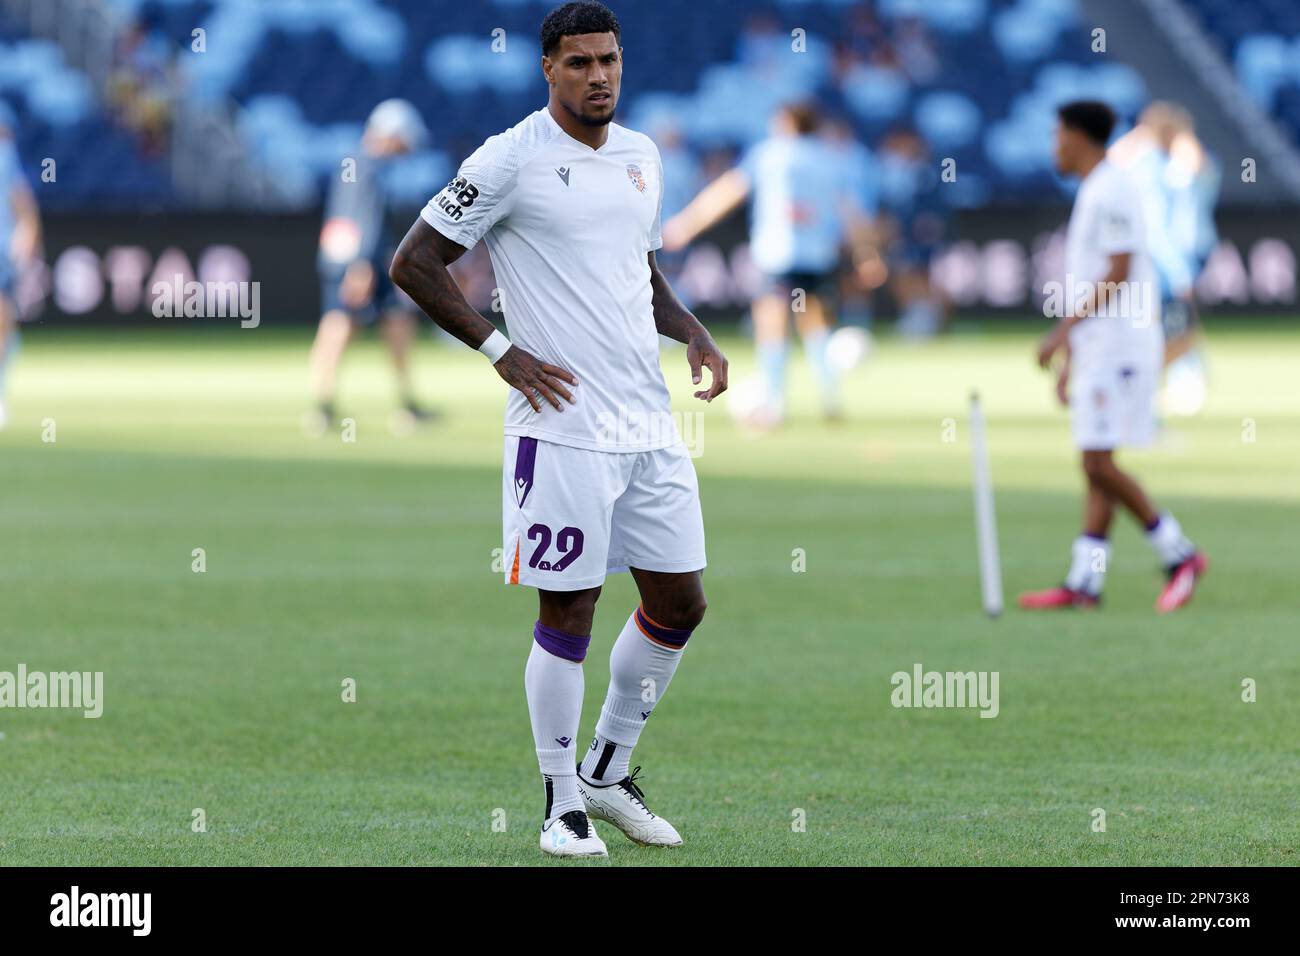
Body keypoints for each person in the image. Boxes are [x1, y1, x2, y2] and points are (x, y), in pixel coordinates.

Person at [388, 1, 727, 857]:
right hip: (561, 423)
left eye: (608, 60)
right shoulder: (509, 159)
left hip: (646, 423)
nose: (599, 75)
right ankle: (560, 803)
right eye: (579, 63)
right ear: (548, 69)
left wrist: (689, 327)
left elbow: (637, 266)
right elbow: (412, 262)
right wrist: (499, 350)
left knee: (680, 602)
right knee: (570, 609)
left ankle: (609, 774)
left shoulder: (643, 157)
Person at [1020, 101, 1207, 614]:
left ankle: (1179, 552)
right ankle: (1086, 580)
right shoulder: (1096, 188)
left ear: (1079, 136)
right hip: (1101, 347)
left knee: (1096, 460)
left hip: (1121, 345)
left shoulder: (1115, 186)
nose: (1054, 145)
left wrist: (1062, 334)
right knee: (1096, 461)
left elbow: (1120, 270)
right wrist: (1074, 360)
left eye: (1058, 134)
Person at [662, 102, 866, 427]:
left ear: (786, 123)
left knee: (771, 325)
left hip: (778, 252)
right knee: (815, 324)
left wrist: (686, 224)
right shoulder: (829, 158)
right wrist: (866, 251)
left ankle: (774, 402)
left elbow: (727, 192)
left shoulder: (769, 154)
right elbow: (849, 209)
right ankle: (829, 397)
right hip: (817, 255)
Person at [307, 99, 435, 435]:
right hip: (356, 263)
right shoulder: (363, 166)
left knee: (392, 323)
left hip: (359, 259)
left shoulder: (361, 163)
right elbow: (357, 218)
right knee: (340, 327)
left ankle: (404, 403)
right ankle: (323, 407)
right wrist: (360, 266)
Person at [1108, 101, 1220, 414]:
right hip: (1165, 260)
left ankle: (1159, 383)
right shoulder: (1151, 166)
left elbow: (1198, 166)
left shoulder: (1165, 163)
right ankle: (1139, 386)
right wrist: (1179, 270)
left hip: (1166, 258)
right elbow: (1158, 224)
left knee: (1175, 328)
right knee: (1172, 331)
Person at [0, 105, 41, 430]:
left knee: (3, 322)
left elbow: (25, 210)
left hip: (1, 255)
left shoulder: (6, 159)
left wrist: (24, 247)